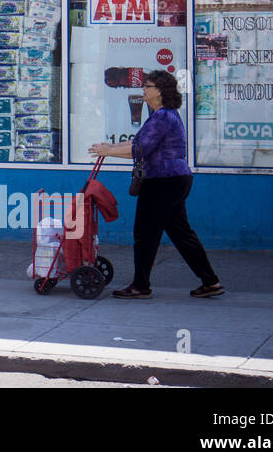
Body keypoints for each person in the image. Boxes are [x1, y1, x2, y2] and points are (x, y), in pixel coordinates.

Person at [89, 69, 222, 298]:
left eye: (147, 86)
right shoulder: (163, 115)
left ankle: (140, 286)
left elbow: (139, 150)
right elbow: (139, 142)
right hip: (175, 179)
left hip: (163, 181)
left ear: (159, 91)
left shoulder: (162, 117)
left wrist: (108, 152)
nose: (143, 89)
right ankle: (210, 282)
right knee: (181, 233)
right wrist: (110, 148)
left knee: (145, 233)